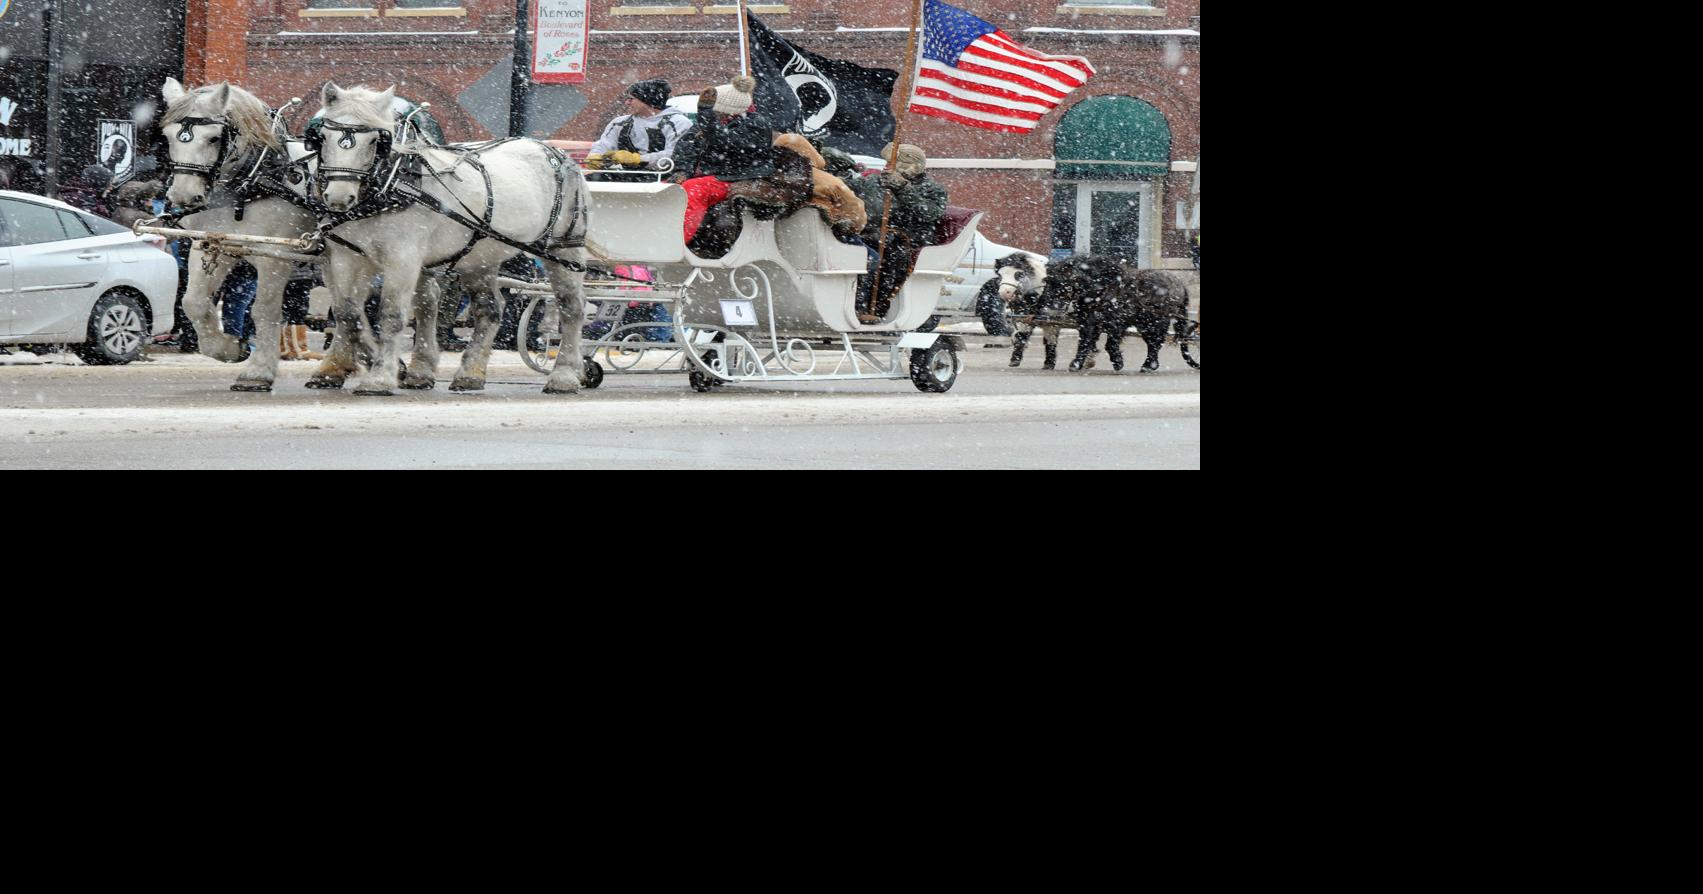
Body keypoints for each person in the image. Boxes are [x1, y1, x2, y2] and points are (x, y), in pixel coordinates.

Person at [845, 143, 948, 322]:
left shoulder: (933, 190)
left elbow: (930, 213)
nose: (888, 167)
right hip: (872, 234)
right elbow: (848, 188)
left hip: (907, 240)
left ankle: (872, 307)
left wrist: (903, 189)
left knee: (890, 258)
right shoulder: (875, 181)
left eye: (894, 162)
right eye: (888, 163)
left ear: (915, 166)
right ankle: (847, 302)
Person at [668, 75, 777, 243]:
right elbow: (686, 148)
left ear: (727, 109)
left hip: (737, 177)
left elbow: (727, 144)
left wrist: (706, 116)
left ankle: (676, 242)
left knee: (694, 190)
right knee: (662, 191)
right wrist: (682, 170)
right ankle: (649, 239)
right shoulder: (709, 124)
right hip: (710, 175)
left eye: (714, 108)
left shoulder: (756, 124)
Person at [585, 79, 693, 172]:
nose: (627, 103)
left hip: (663, 179)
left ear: (647, 100)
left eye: (631, 99)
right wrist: (595, 157)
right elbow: (603, 145)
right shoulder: (619, 123)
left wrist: (638, 159)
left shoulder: (679, 123)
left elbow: (675, 155)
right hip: (624, 176)